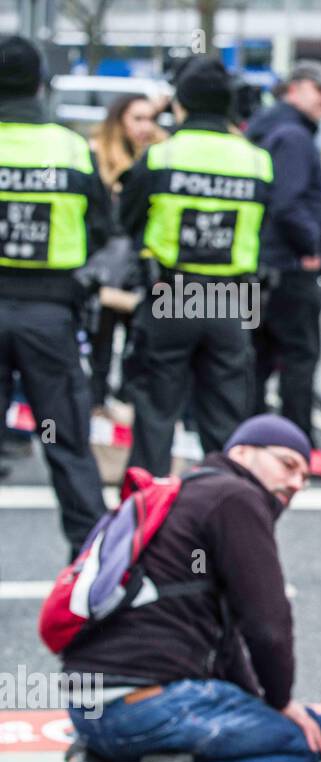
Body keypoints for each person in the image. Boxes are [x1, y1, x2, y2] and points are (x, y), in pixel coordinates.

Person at [52, 414, 321, 762]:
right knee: (300, 746)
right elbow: (268, 626)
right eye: (288, 464)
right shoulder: (237, 497)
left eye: (305, 477)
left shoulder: (179, 493)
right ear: (241, 452)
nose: (296, 483)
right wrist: (280, 702)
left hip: (85, 707)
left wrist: (258, 701)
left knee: (273, 723)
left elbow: (226, 637)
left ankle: (99, 756)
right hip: (147, 708)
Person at [119, 57, 272, 478]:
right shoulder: (257, 161)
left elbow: (126, 219)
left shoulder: (160, 157)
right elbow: (269, 227)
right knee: (224, 421)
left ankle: (147, 516)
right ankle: (226, 509)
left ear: (180, 105)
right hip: (233, 297)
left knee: (156, 414)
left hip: (172, 290)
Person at [0, 35, 109, 551]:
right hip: (51, 315)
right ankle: (93, 571)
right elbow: (106, 232)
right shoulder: (71, 148)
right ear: (41, 83)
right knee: (66, 443)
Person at [246, 59, 321, 446]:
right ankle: (296, 444)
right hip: (292, 266)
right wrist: (311, 245)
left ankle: (254, 441)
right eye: (320, 90)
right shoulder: (294, 136)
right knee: (298, 359)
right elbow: (288, 203)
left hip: (265, 265)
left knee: (259, 360)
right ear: (295, 88)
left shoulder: (268, 128)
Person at [87, 93, 164, 414]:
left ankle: (126, 412)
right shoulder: (96, 156)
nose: (146, 127)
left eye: (151, 118)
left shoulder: (160, 155)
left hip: (142, 269)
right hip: (104, 268)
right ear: (119, 120)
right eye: (138, 118)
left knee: (141, 350)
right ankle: (95, 410)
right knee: (99, 347)